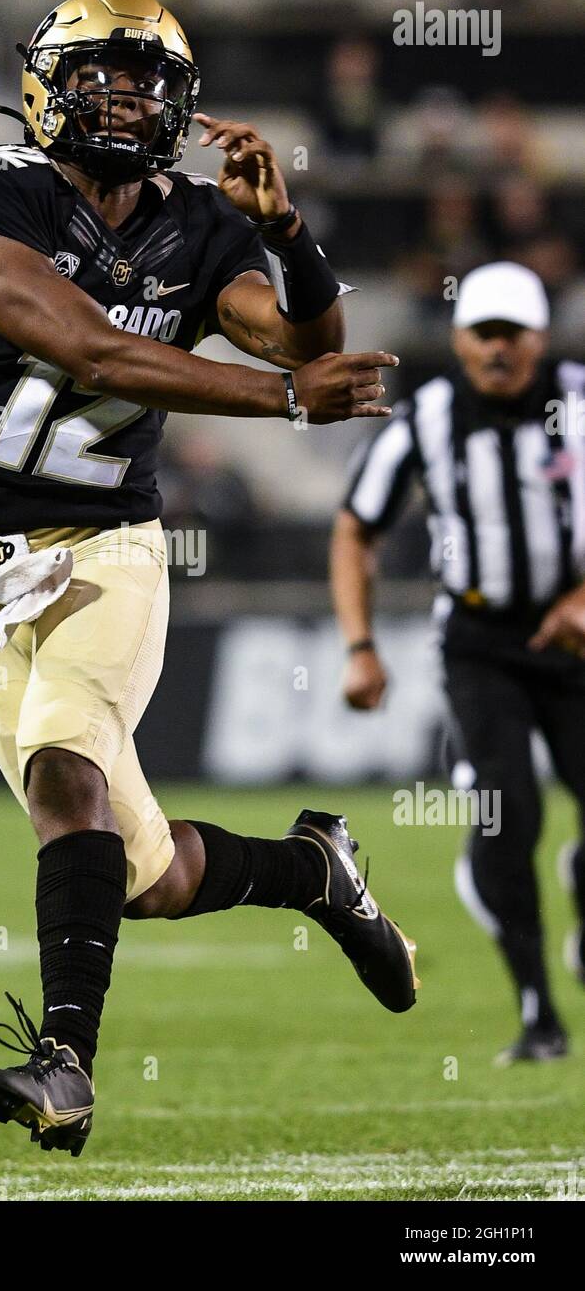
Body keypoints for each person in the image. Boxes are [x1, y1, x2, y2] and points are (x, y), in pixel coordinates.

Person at [0, 0, 417, 1157]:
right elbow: (88, 345)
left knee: (61, 776)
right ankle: (313, 873)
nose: (124, 96)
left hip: (108, 550)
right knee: (138, 873)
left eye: (145, 79)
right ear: (46, 84)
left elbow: (304, 343)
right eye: (99, 73)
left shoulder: (198, 221)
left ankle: (65, 1065)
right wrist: (287, 400)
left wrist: (288, 236)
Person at [331, 260, 585, 1066]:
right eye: (485, 333)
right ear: (461, 339)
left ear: (541, 336)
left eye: (514, 333)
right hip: (481, 645)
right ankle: (539, 1011)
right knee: (510, 819)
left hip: (579, 637)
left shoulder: (578, 403)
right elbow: (355, 529)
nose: (500, 349)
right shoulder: (428, 418)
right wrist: (361, 647)